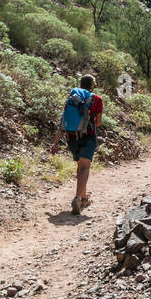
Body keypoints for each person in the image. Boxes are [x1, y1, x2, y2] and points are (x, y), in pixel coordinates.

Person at [49, 74, 102, 214]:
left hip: (72, 137)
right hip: (88, 136)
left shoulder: (72, 98)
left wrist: (55, 143)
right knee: (85, 167)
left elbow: (62, 120)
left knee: (80, 166)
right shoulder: (96, 99)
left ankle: (84, 198)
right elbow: (98, 123)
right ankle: (77, 198)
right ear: (92, 85)